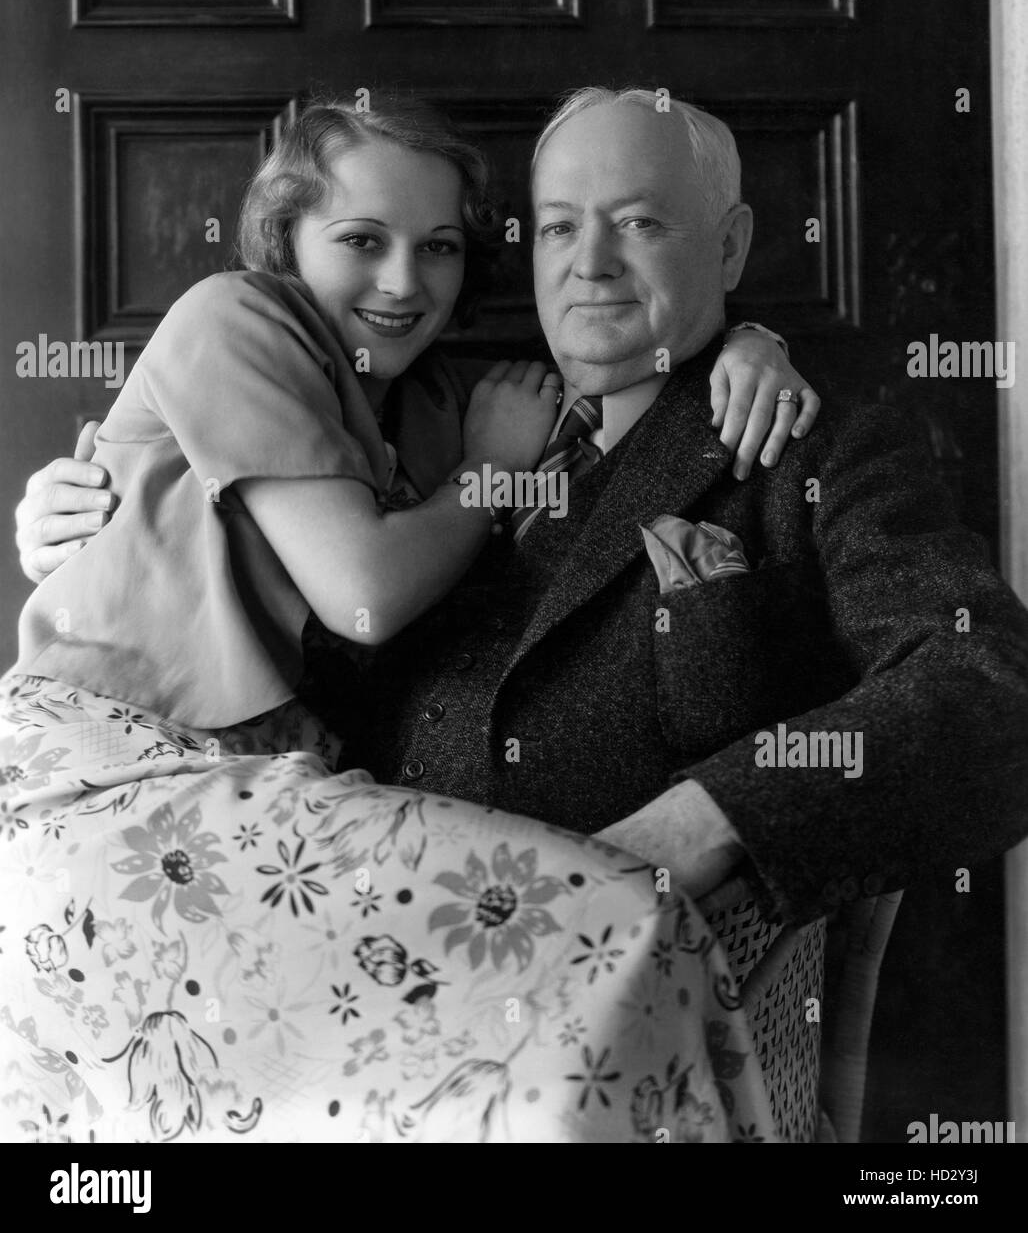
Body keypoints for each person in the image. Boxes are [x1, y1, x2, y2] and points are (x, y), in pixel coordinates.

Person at [1, 95, 814, 1144]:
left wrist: (754, 338)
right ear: (281, 240)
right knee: (611, 919)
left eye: (436, 248)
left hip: (260, 800)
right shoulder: (234, 316)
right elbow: (366, 596)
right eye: (359, 241)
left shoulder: (432, 399)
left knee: (507, 1020)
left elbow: (620, 329)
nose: (401, 282)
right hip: (111, 788)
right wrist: (487, 473)